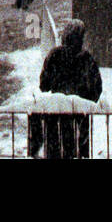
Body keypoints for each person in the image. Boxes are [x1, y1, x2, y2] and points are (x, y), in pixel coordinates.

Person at [36, 20, 102, 160]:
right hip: (79, 116)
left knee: (54, 152)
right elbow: (97, 88)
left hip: (56, 115)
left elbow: (43, 85)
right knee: (78, 153)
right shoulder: (86, 59)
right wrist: (85, 101)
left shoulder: (54, 55)